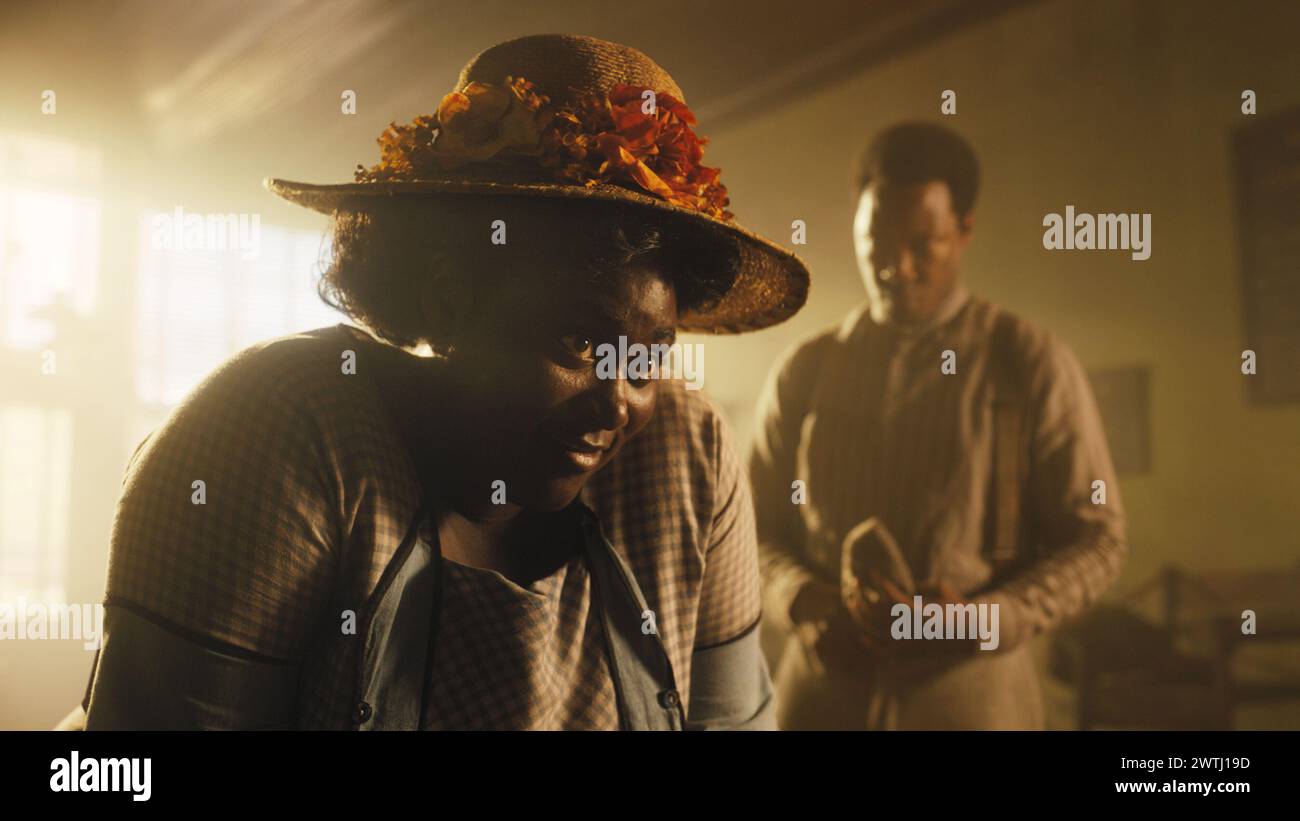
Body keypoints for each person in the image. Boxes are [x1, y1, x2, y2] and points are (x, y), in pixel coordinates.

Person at [70, 34, 809, 730]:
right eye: (579, 338)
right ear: (447, 302)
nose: (619, 397)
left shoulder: (688, 456)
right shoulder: (278, 435)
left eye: (650, 355)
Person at [750, 121, 1127, 729]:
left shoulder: (1026, 360)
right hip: (822, 703)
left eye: (922, 244)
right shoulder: (806, 369)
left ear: (965, 230)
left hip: (975, 703)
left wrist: (992, 617)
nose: (896, 268)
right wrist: (804, 600)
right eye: (876, 242)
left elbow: (1098, 539)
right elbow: (750, 531)